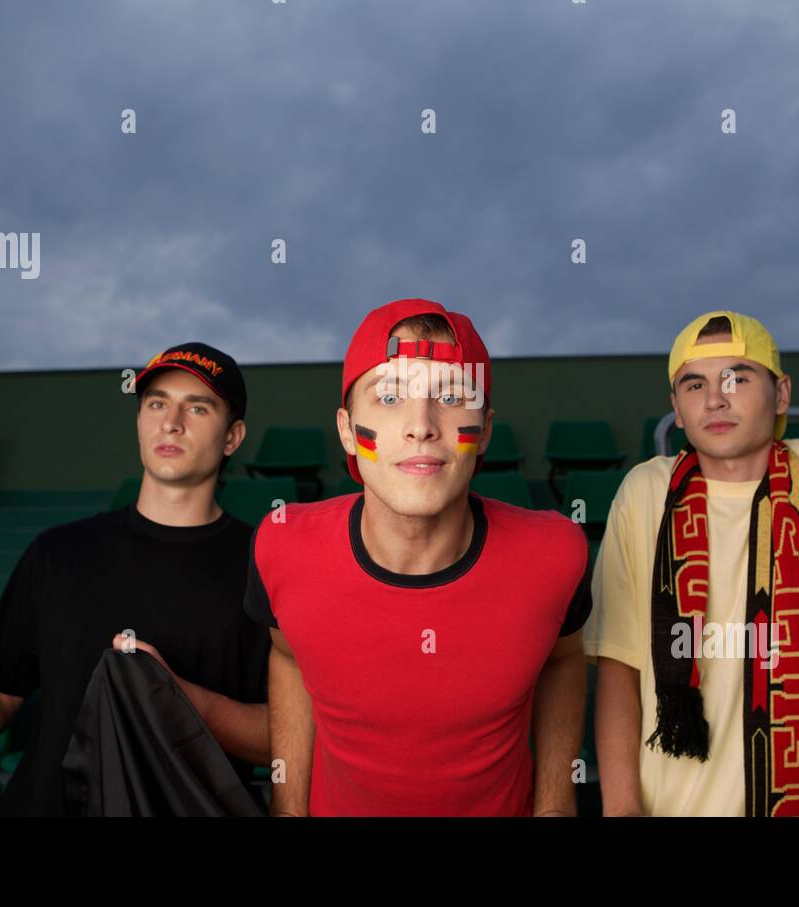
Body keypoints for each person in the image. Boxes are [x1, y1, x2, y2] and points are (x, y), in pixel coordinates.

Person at [0, 342, 272, 815]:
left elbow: (286, 739)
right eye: (156, 403)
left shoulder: (266, 565)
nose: (171, 422)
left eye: (197, 407)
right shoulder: (59, 553)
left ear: (233, 437)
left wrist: (181, 702)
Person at [244, 298, 592, 816]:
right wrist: (288, 808)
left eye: (451, 396)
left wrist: (554, 806)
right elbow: (289, 655)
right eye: (389, 396)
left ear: (486, 429)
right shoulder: (282, 545)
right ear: (346, 429)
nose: (421, 425)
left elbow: (564, 659)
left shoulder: (555, 552)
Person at [586, 311, 799, 816]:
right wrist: (621, 808)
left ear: (782, 393)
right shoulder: (644, 491)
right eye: (694, 384)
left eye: (737, 378)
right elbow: (619, 666)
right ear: (676, 409)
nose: (715, 399)